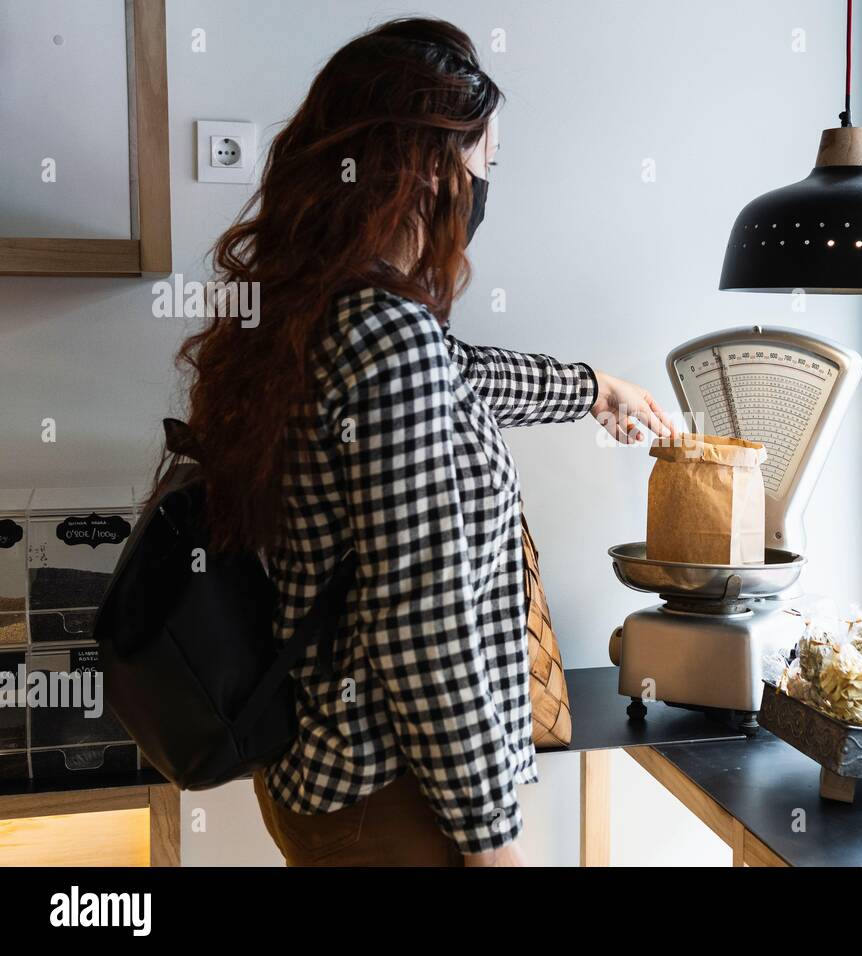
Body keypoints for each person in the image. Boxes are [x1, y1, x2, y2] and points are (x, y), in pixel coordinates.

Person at [173, 17, 674, 866]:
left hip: (317, 771)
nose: (486, 187)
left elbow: (459, 374)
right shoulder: (389, 337)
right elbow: (423, 622)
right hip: (392, 802)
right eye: (485, 162)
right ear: (430, 168)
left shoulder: (324, 313)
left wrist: (593, 388)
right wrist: (490, 842)